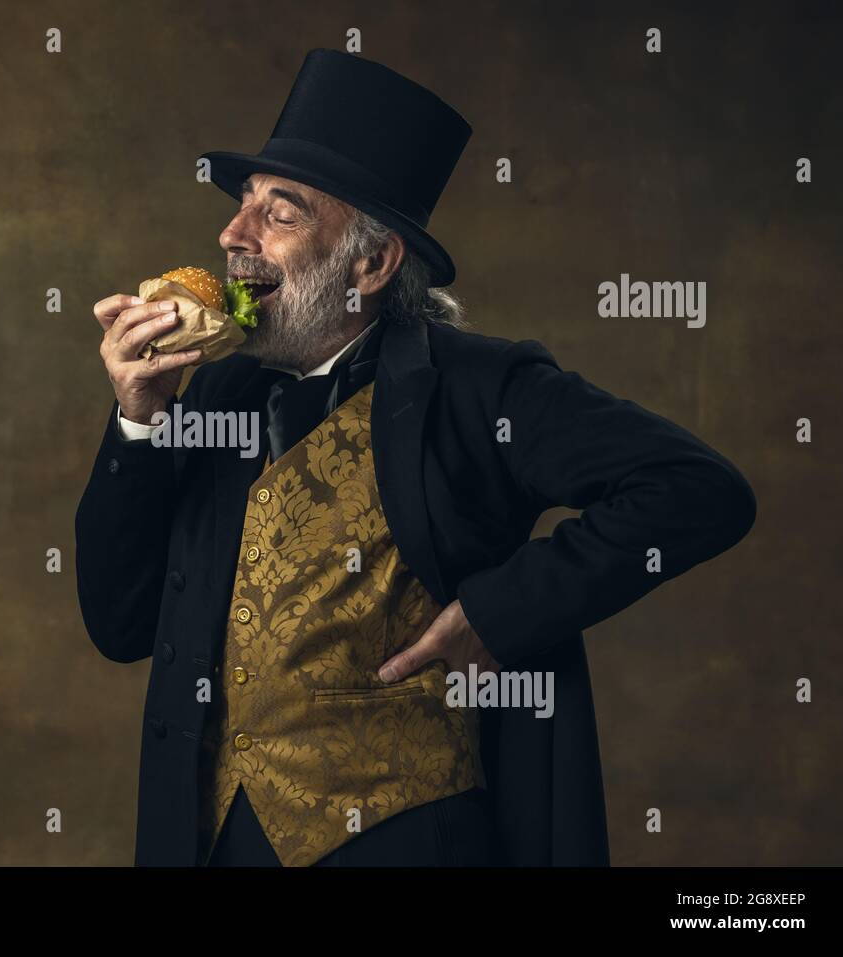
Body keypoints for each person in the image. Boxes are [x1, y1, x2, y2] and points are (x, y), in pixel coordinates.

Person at [75, 49, 754, 866]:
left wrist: (500, 614)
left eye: (279, 214)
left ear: (371, 263)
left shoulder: (481, 388)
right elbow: (119, 625)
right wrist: (139, 422)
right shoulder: (213, 392)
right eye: (242, 205)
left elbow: (699, 489)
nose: (232, 234)